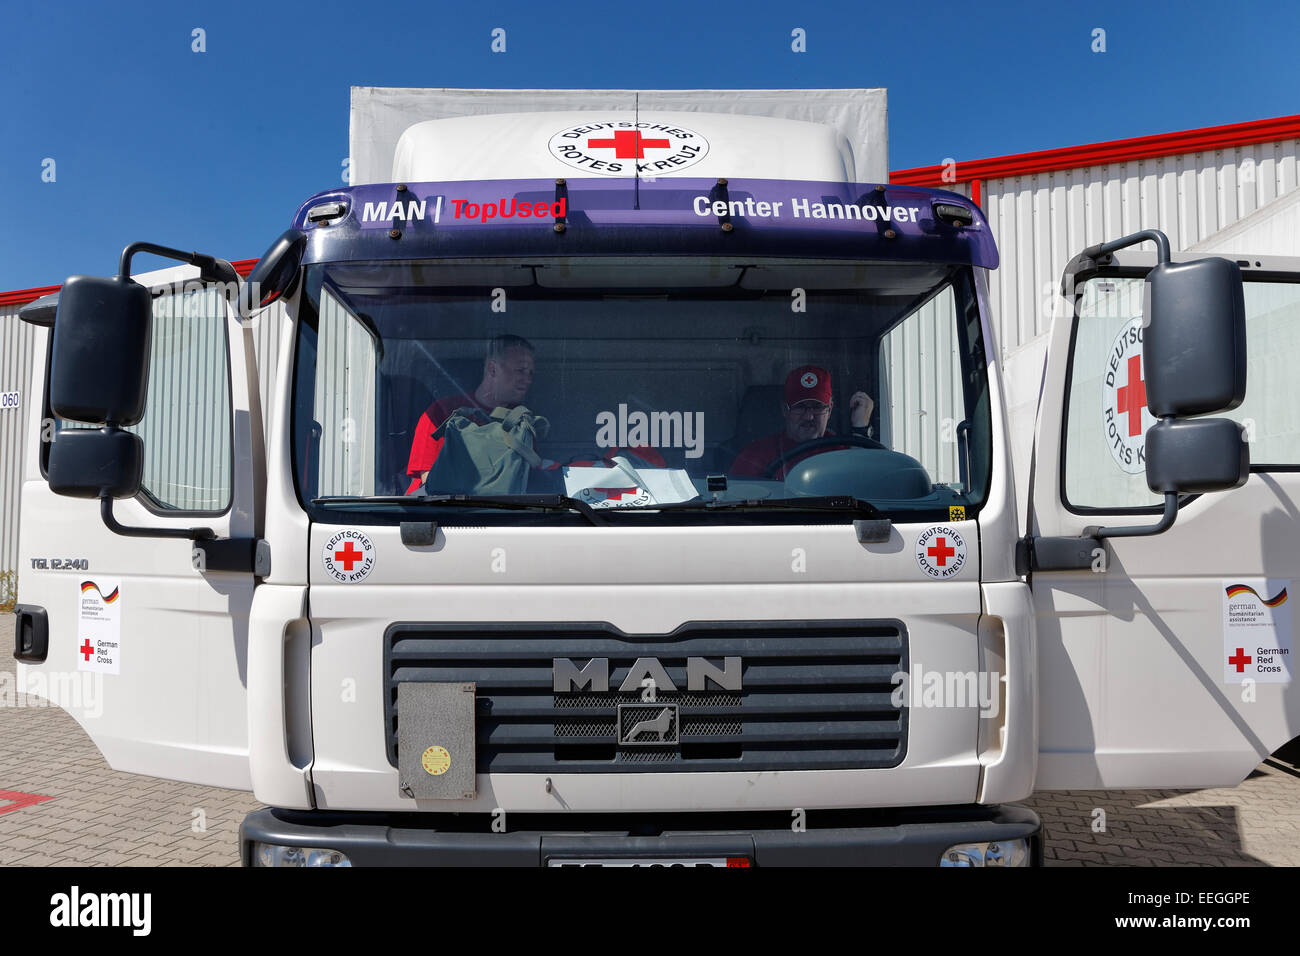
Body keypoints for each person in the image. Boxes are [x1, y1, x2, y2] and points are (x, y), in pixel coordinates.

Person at [404, 334, 537, 495]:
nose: (527, 379)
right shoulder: (440, 413)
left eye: (530, 373)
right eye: (521, 370)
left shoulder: (522, 425)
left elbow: (525, 483)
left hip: (504, 517)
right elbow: (430, 482)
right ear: (492, 369)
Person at [729, 365, 874, 479]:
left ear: (829, 409)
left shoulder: (843, 454)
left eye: (817, 407)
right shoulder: (755, 455)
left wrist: (860, 427)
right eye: (800, 407)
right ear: (785, 410)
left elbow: (865, 486)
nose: (809, 417)